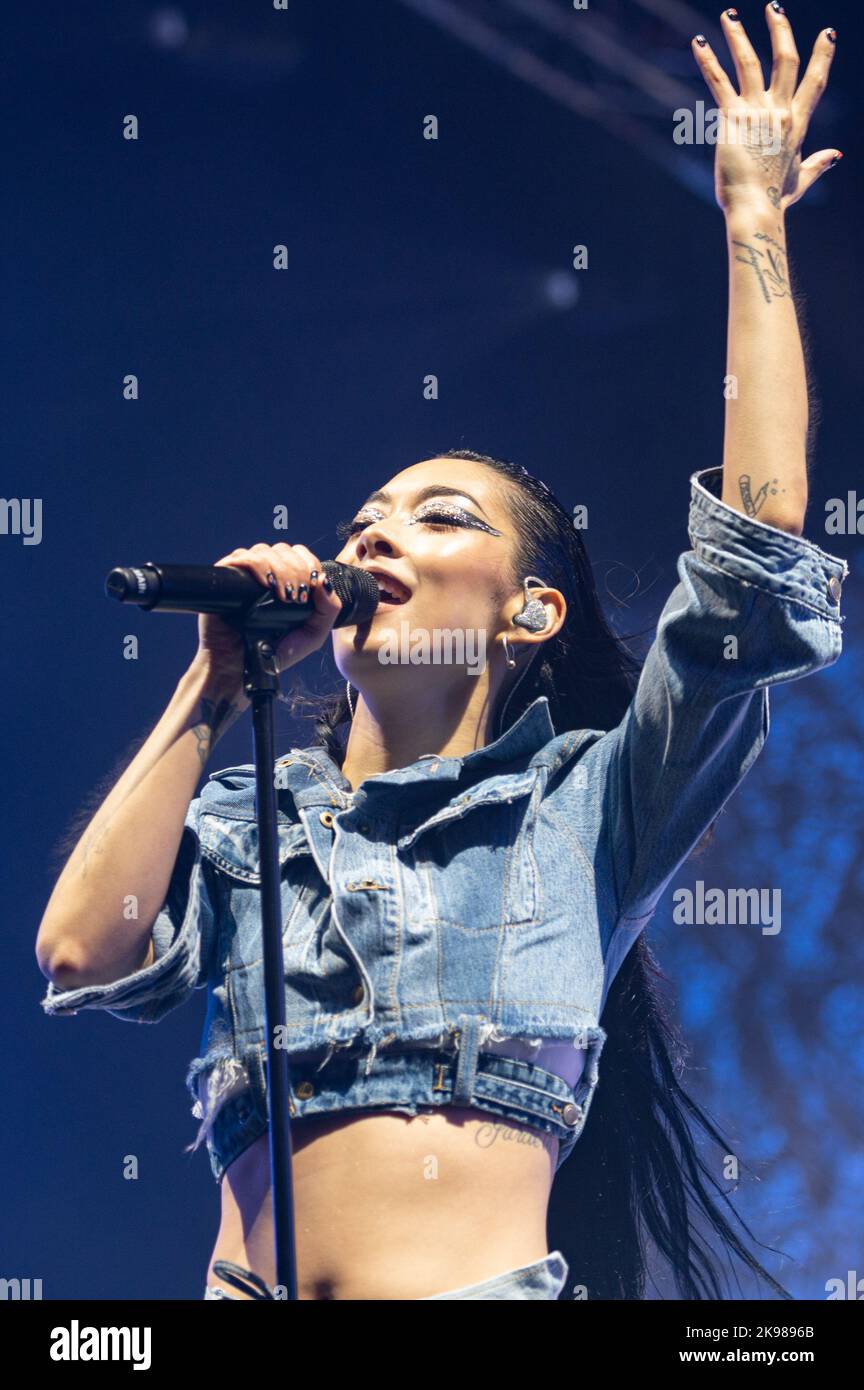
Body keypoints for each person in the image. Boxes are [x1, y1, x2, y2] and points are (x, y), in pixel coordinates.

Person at [36, 8, 848, 1300]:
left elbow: (757, 552)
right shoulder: (254, 816)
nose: (376, 528)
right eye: (368, 514)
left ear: (529, 614)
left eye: (440, 515)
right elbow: (84, 951)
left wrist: (754, 225)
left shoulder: (587, 807)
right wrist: (214, 683)